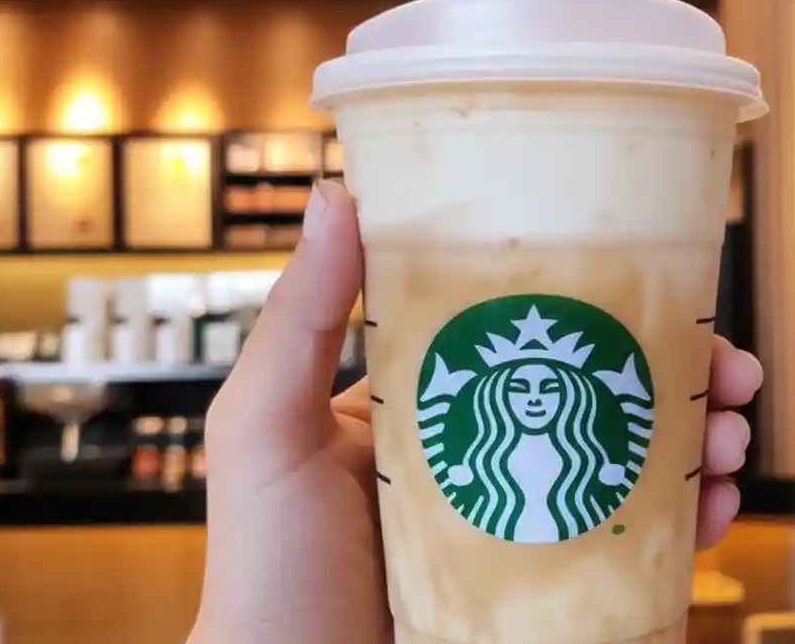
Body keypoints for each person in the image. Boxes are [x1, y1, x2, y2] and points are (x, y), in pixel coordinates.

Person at [188, 181, 763, 644]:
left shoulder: (591, 470)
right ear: (494, 398)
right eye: (518, 389)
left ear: (575, 396)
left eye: (551, 388)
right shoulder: (477, 469)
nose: (535, 399)